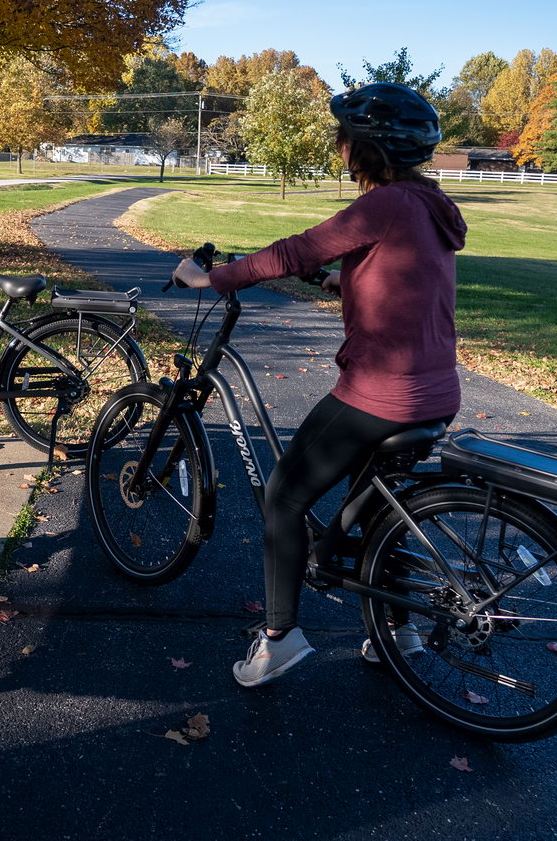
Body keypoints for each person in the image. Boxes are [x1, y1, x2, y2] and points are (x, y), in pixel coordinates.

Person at [173, 83, 468, 687]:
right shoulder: (427, 203)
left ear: (365, 148)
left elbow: (295, 251)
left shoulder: (385, 204)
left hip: (384, 391)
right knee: (378, 510)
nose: (339, 147)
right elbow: (406, 275)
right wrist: (349, 278)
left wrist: (211, 279)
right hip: (436, 391)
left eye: (344, 139)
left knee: (284, 496)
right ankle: (400, 628)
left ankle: (278, 639)